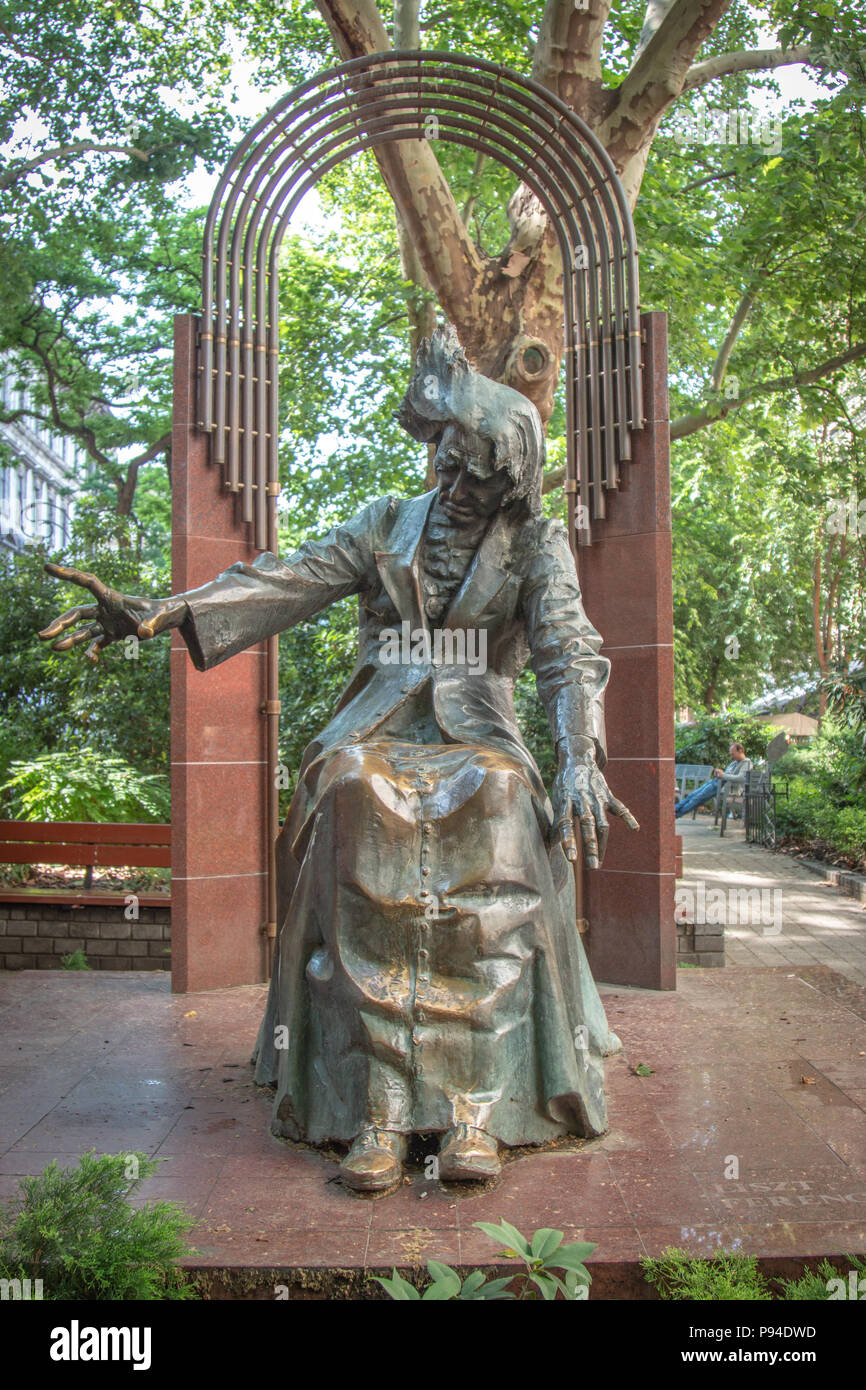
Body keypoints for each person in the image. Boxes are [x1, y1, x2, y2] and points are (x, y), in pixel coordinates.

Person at [38, 324, 638, 1194]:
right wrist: (163, 612)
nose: (449, 477)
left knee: (504, 801)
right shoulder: (386, 524)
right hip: (380, 725)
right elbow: (293, 575)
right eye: (445, 455)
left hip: (480, 732)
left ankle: (477, 1098)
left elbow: (568, 649)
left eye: (471, 468)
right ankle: (380, 1100)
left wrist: (578, 755)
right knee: (353, 789)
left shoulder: (537, 545)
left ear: (507, 477)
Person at [674, 742, 753, 819]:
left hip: (726, 787)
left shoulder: (746, 763)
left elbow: (741, 778)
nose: (731, 756)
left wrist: (723, 775)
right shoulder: (734, 763)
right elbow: (727, 774)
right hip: (717, 782)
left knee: (697, 798)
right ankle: (674, 810)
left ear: (740, 751)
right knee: (693, 795)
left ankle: (675, 815)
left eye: (733, 754)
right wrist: (719, 773)